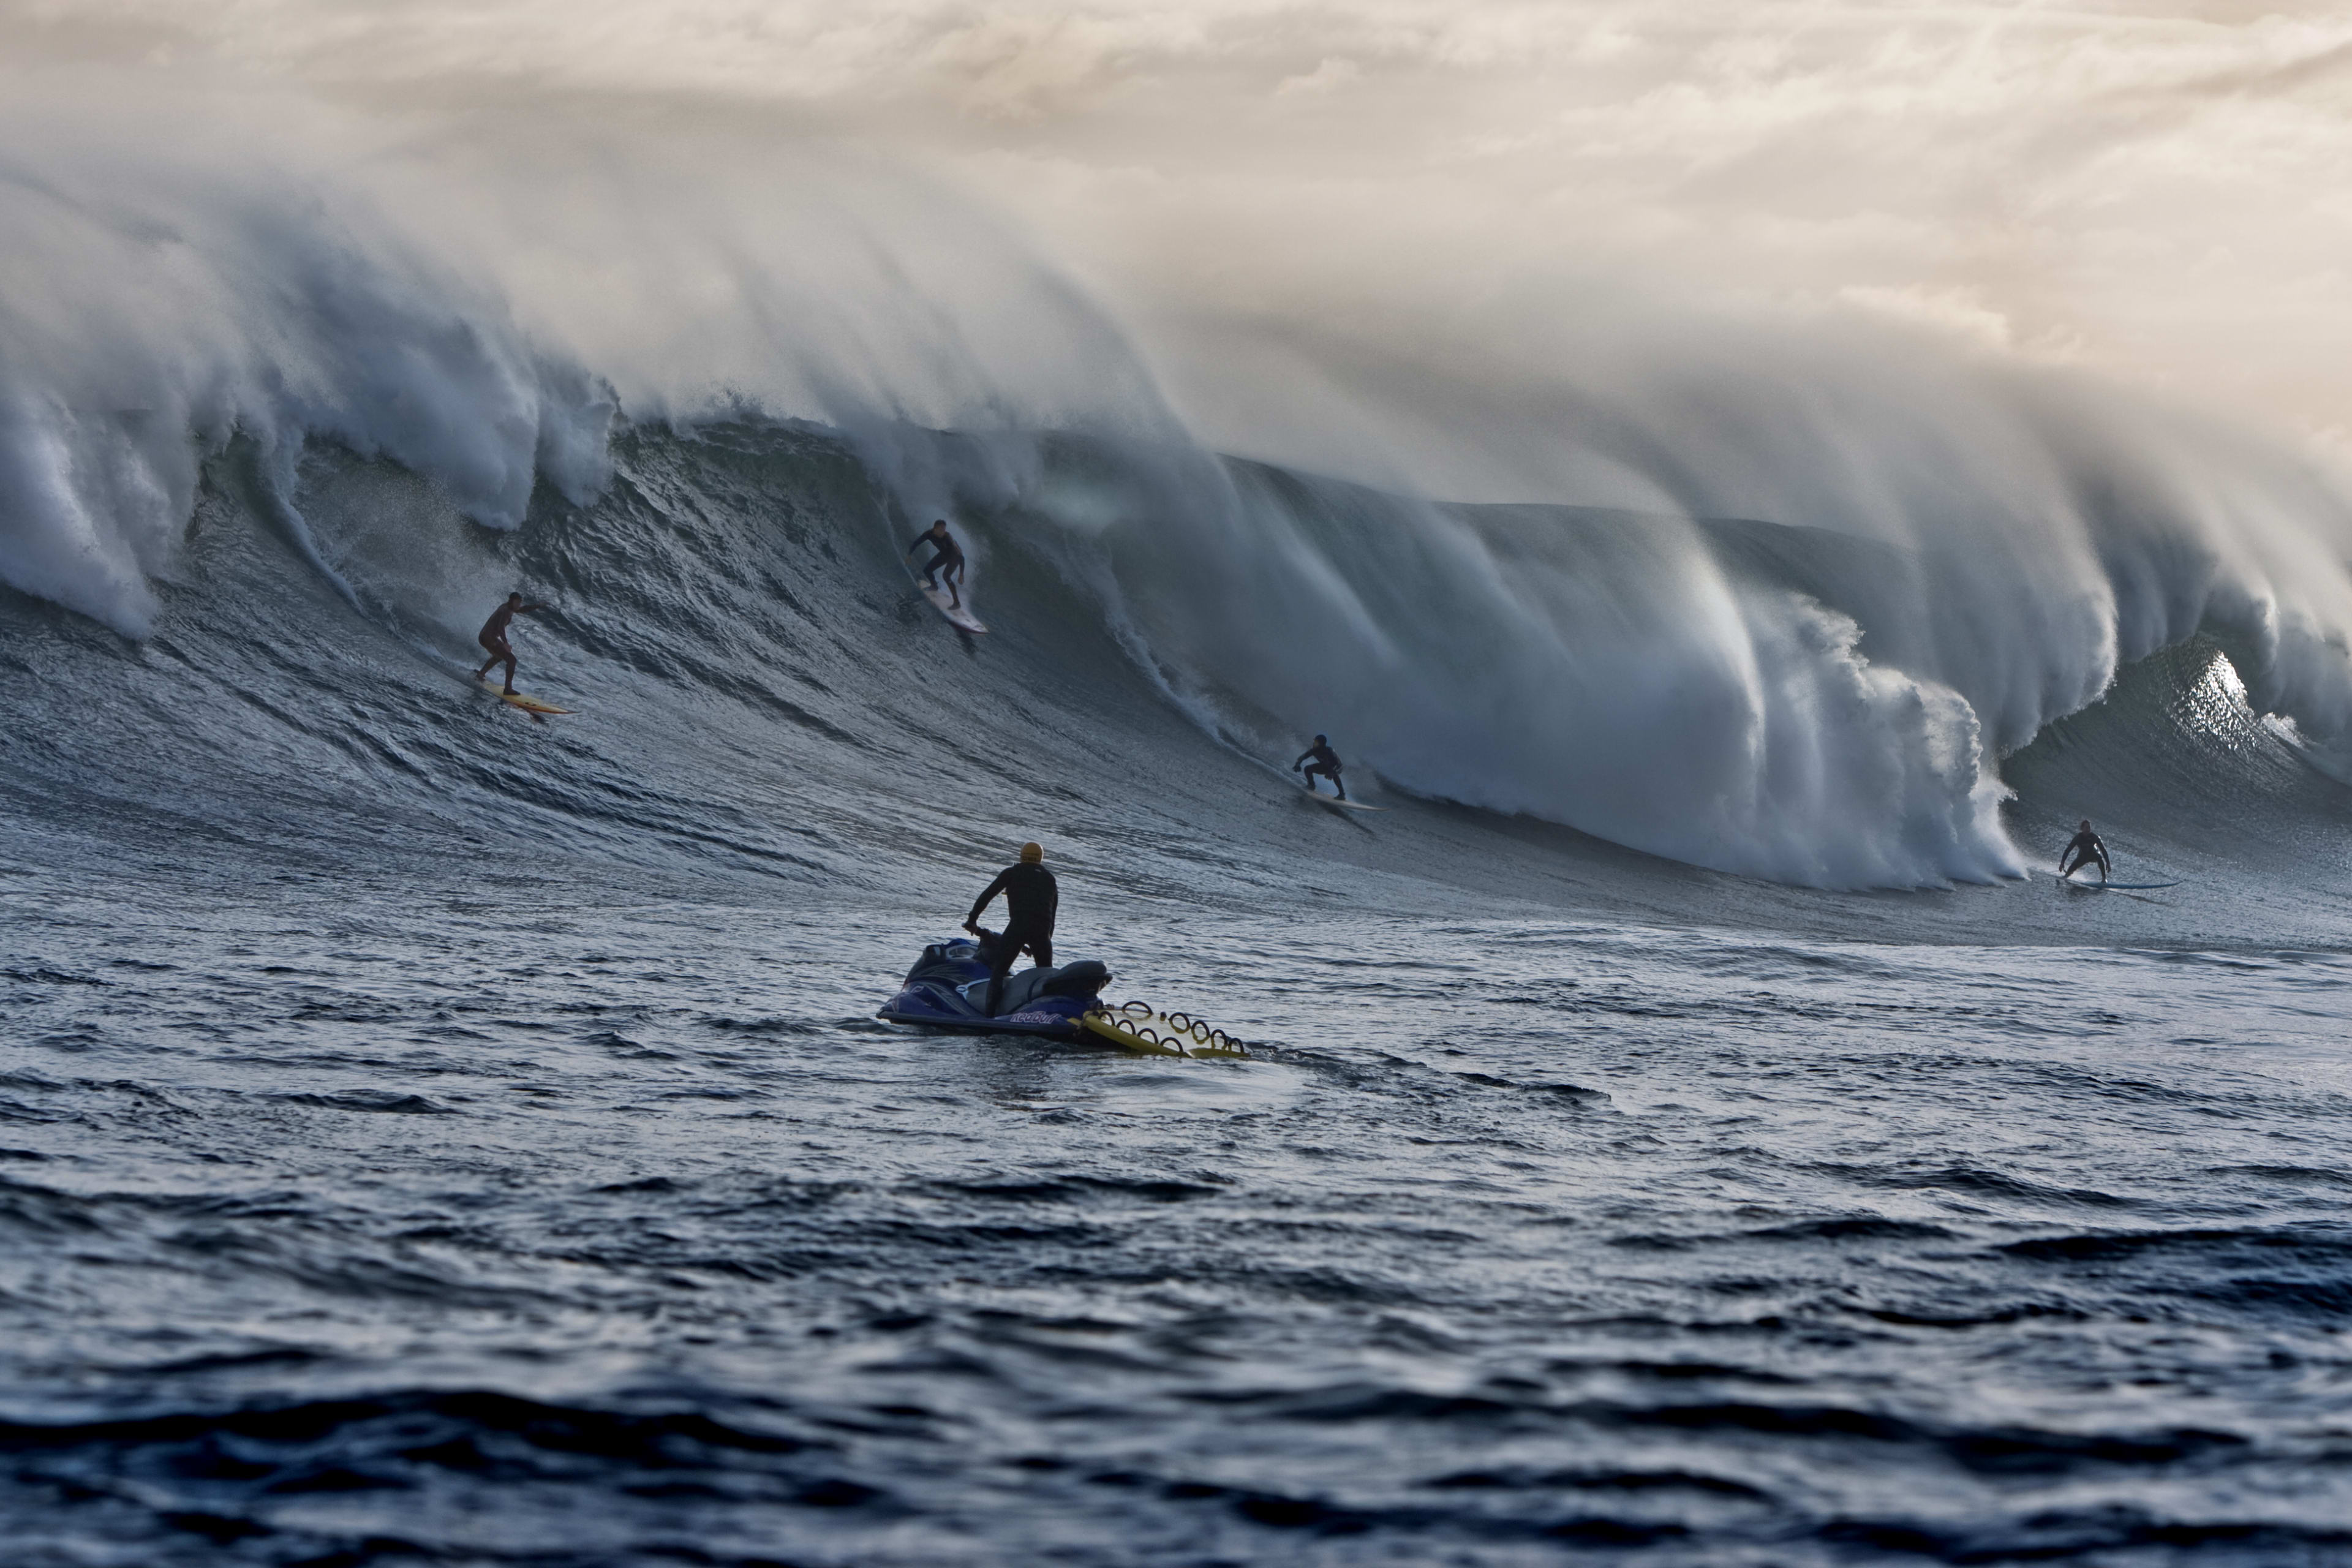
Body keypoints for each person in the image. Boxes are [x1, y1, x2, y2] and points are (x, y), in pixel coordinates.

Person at [965, 842, 1057, 1015]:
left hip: (1018, 927)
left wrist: (972, 920)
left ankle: (990, 1016)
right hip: (1042, 931)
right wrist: (1043, 940)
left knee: (999, 972)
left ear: (1022, 856)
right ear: (1040, 858)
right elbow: (1052, 916)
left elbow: (987, 895)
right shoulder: (1049, 878)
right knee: (1045, 975)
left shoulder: (1012, 873)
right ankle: (1046, 1015)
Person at [473, 592, 547, 695]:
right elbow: (500, 628)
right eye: (517, 602)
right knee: (512, 660)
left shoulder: (508, 607)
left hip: (485, 637)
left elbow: (523, 609)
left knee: (499, 656)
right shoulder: (506, 611)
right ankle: (508, 689)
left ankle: (481, 674)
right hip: (489, 639)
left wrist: (538, 605)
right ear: (511, 601)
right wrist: (505, 644)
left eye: (520, 603)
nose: (518, 605)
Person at [906, 519, 967, 609]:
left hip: (955, 556)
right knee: (927, 570)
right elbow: (916, 543)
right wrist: (909, 555)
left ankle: (957, 603)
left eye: (944, 530)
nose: (943, 532)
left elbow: (961, 557)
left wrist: (961, 574)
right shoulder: (929, 534)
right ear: (935, 529)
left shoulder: (948, 538)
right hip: (944, 554)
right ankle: (934, 586)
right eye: (941, 530)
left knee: (946, 576)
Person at [1293, 734, 1345, 800]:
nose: (1314, 743)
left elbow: (1339, 765)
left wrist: (1332, 772)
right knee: (1308, 769)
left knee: (1334, 775)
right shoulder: (1314, 750)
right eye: (1314, 741)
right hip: (1324, 767)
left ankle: (1342, 794)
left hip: (1337, 767)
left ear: (1321, 743)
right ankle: (1311, 785)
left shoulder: (1329, 751)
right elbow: (1302, 757)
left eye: (1316, 742)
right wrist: (1297, 764)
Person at [2059, 819, 2110, 884]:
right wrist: (2062, 863)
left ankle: (2104, 879)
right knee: (2072, 867)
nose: (2088, 830)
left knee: (2099, 858)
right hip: (2083, 857)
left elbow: (2103, 850)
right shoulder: (2078, 838)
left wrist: (2108, 863)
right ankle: (2066, 876)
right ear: (2082, 828)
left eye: (2089, 828)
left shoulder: (2095, 837)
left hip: (2093, 855)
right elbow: (2068, 850)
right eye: (2086, 828)